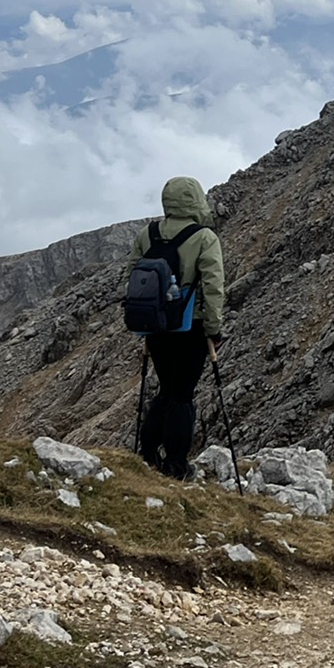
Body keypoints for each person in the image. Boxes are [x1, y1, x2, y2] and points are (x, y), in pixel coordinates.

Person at [132, 177, 227, 480]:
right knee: (182, 395)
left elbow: (133, 277)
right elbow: (213, 286)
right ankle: (175, 464)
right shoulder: (204, 238)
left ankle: (147, 452)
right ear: (197, 200)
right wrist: (214, 328)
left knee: (166, 388)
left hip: (156, 325)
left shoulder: (147, 234)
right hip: (191, 326)